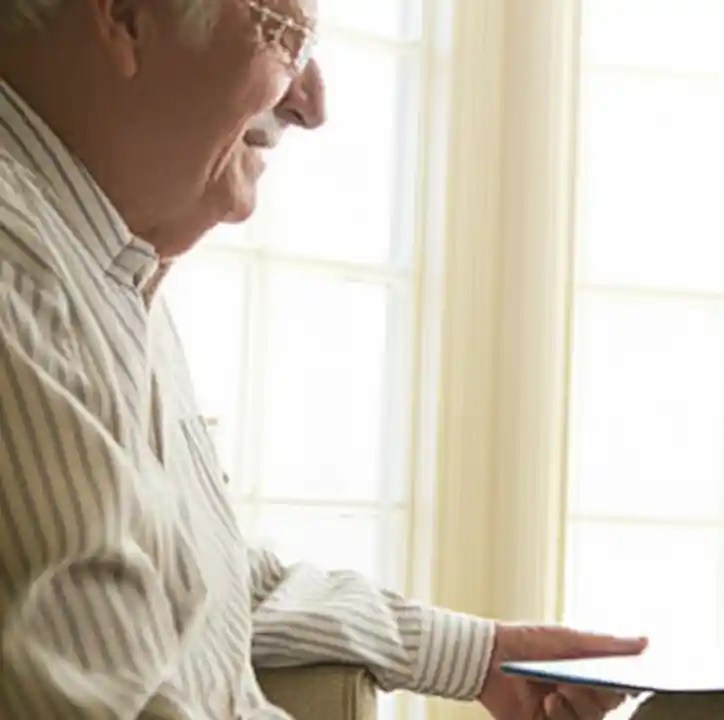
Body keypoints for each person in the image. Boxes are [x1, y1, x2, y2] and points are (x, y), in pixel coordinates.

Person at [0, 1, 644, 718]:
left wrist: (480, 654)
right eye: (285, 35)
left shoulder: (96, 265)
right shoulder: (18, 277)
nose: (311, 103)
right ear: (124, 15)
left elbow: (184, 573)